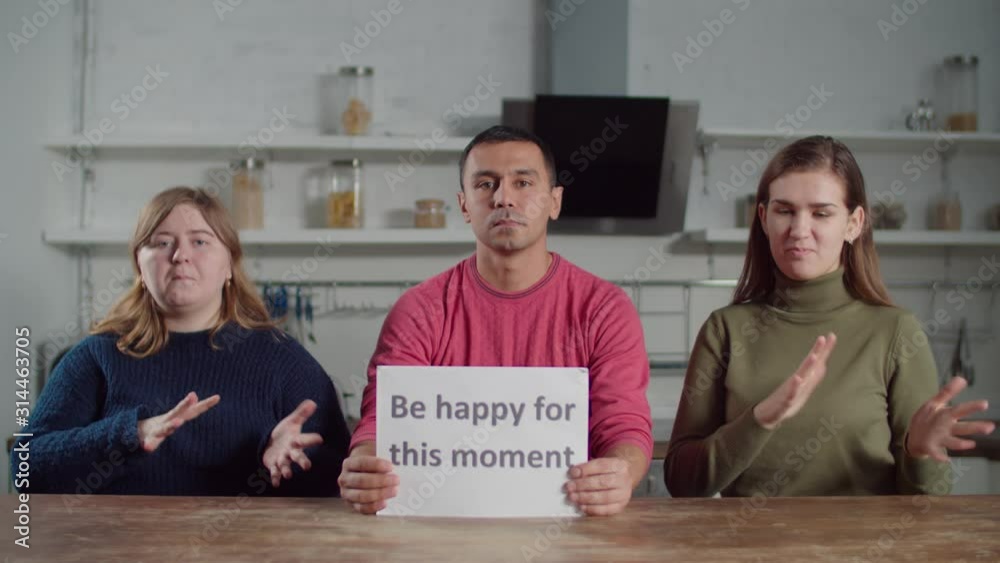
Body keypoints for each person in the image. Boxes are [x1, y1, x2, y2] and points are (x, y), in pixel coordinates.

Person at [337, 126, 653, 516]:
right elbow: (382, 422)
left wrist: (621, 472)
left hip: (570, 528)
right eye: (486, 184)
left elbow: (623, 426)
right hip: (441, 530)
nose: (504, 198)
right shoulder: (419, 310)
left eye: (523, 182)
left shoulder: (604, 309)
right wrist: (367, 465)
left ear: (554, 201)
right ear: (465, 204)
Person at [664, 136, 995, 497]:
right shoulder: (725, 329)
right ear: (763, 218)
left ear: (854, 224)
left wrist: (918, 452)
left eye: (821, 213)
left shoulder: (896, 332)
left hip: (865, 553)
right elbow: (681, 482)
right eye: (784, 210)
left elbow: (929, 506)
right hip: (750, 551)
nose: (799, 230)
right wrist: (762, 418)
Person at [16, 187, 350, 496]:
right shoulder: (97, 356)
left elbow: (342, 474)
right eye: (162, 243)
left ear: (230, 265)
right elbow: (25, 467)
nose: (180, 256)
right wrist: (129, 435)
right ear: (139, 265)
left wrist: (291, 460)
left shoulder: (282, 358)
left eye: (200, 241)